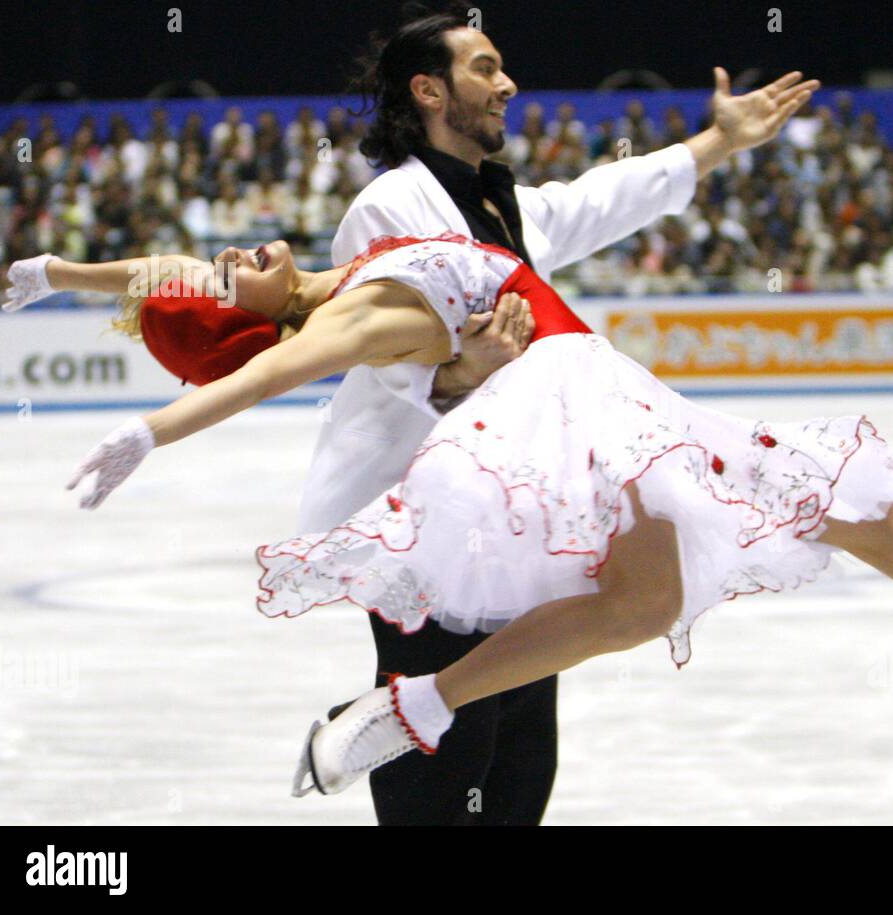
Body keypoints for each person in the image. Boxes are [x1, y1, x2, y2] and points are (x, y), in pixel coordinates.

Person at [4, 232, 893, 805]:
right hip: (573, 404)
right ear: (255, 316)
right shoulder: (347, 319)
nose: (239, 253)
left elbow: (182, 284)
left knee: (828, 517)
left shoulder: (310, 281)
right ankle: (405, 712)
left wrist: (69, 278)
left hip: (600, 387)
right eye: (237, 278)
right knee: (774, 536)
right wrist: (153, 431)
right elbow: (261, 365)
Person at [305, 2, 820, 824]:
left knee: (518, 752)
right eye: (485, 68)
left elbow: (607, 196)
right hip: (428, 515)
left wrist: (719, 140)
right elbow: (364, 339)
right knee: (444, 749)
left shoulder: (508, 207)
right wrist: (450, 371)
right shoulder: (389, 209)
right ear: (429, 91)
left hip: (517, 509)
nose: (507, 82)